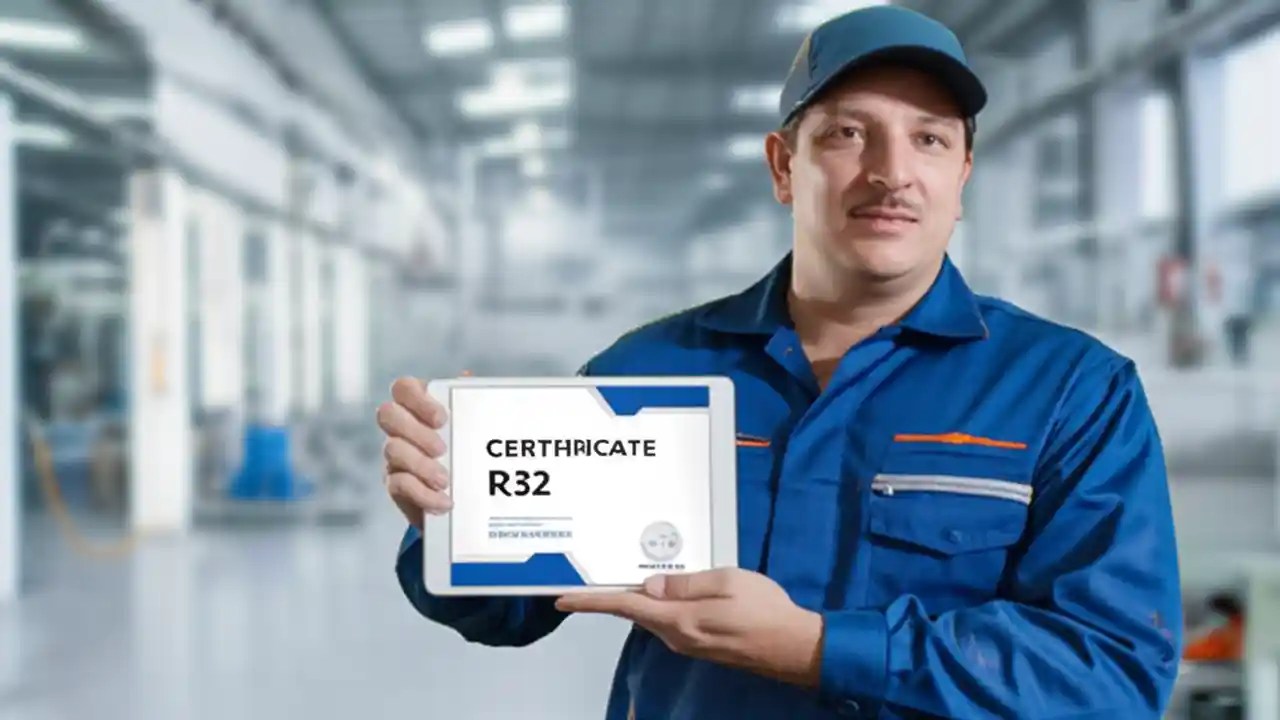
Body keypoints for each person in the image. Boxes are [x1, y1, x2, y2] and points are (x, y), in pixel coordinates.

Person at [379, 6, 1183, 719]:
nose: (891, 172)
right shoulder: (651, 371)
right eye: (846, 132)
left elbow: (1109, 673)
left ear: (961, 176)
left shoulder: (1070, 390)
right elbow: (510, 609)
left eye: (929, 139)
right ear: (781, 165)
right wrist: (454, 519)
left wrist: (819, 649)